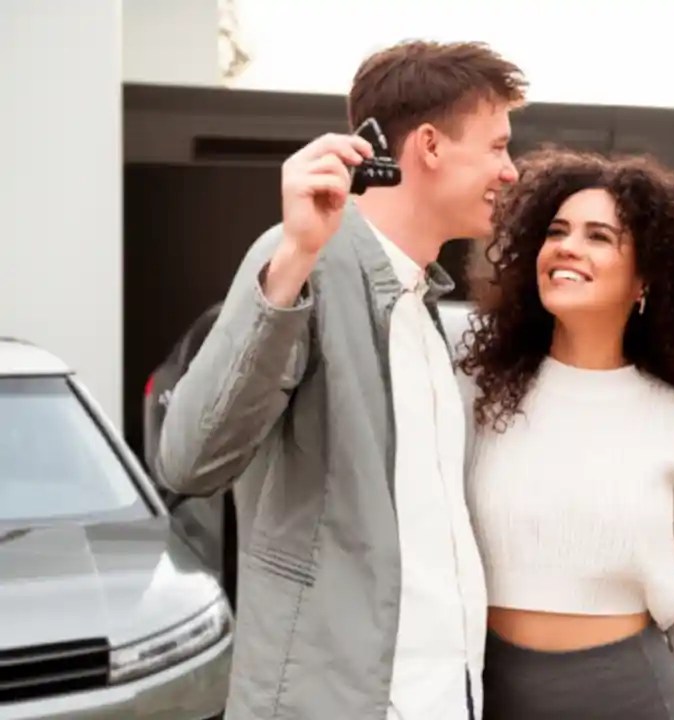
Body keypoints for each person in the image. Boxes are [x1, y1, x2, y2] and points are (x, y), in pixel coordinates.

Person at [153, 40, 525, 720]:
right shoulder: (304, 258)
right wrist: (295, 254)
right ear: (431, 146)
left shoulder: (421, 305)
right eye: (498, 146)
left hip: (444, 696)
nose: (511, 170)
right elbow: (188, 458)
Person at [457, 148, 674, 720]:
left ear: (644, 280)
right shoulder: (476, 393)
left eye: (599, 236)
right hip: (486, 689)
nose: (567, 247)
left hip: (629, 696)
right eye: (557, 231)